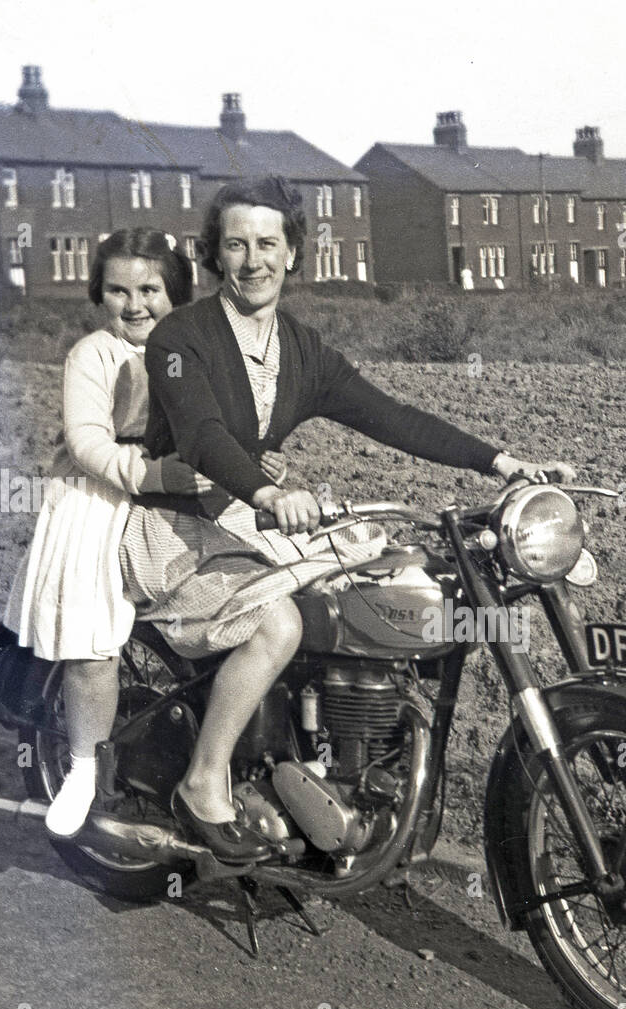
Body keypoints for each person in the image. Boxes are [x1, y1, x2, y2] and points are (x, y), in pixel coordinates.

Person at [122, 176, 574, 860]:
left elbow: (389, 415)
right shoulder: (181, 337)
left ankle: (330, 769)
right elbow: (203, 434)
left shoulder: (301, 350)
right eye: (237, 245)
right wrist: (269, 494)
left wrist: (503, 463)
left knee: (369, 580)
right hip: (172, 522)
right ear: (216, 254)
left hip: (242, 517)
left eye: (269, 243)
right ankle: (203, 781)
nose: (255, 260)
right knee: (277, 622)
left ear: (295, 252)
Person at [4, 228, 282, 837]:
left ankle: (230, 751)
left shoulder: (194, 351)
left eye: (150, 289)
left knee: (270, 588)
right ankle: (81, 766)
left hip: (179, 497)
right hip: (97, 497)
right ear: (99, 296)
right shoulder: (94, 355)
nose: (135, 305)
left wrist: (252, 465)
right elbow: (86, 440)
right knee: (91, 638)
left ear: (175, 293)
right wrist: (152, 471)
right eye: (118, 291)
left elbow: (220, 426)